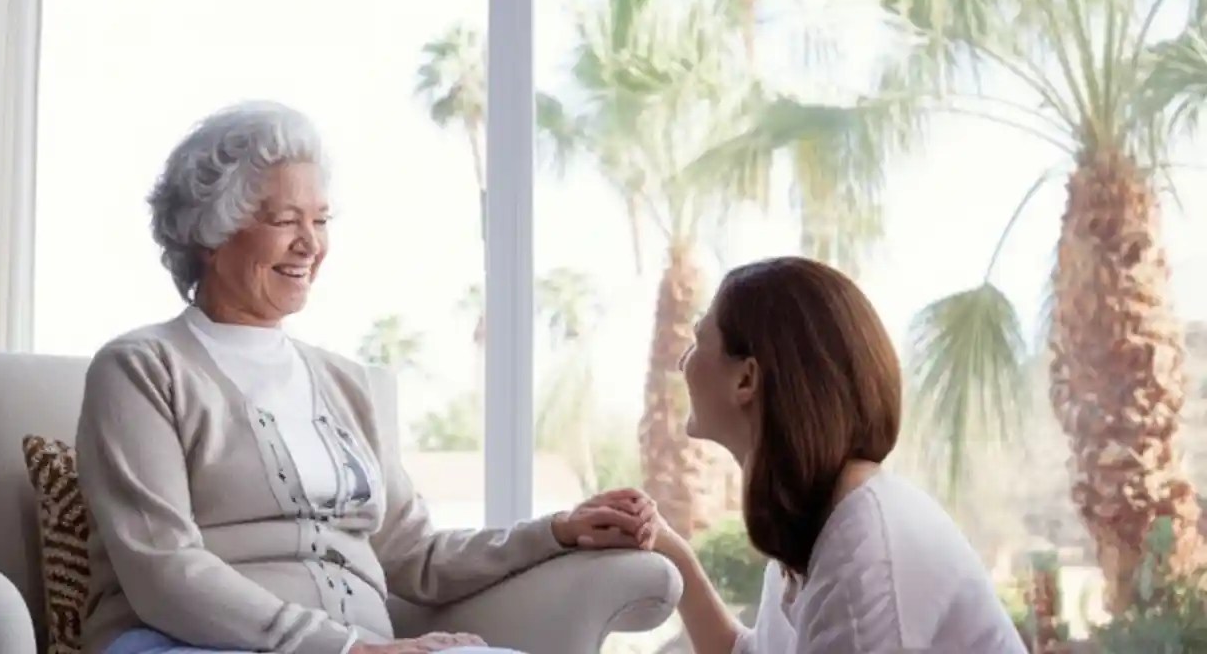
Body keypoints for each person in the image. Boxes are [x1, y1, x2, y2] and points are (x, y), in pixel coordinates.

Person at [75, 101, 651, 654]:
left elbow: (415, 555)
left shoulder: (347, 384)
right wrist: (347, 647)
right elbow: (164, 568)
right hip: (185, 644)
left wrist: (557, 532)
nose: (310, 244)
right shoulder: (142, 368)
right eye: (285, 220)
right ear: (209, 234)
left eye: (320, 220)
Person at [627, 256, 1027, 653]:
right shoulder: (821, 522)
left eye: (699, 341)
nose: (683, 361)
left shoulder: (862, 550)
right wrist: (667, 546)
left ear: (746, 379)